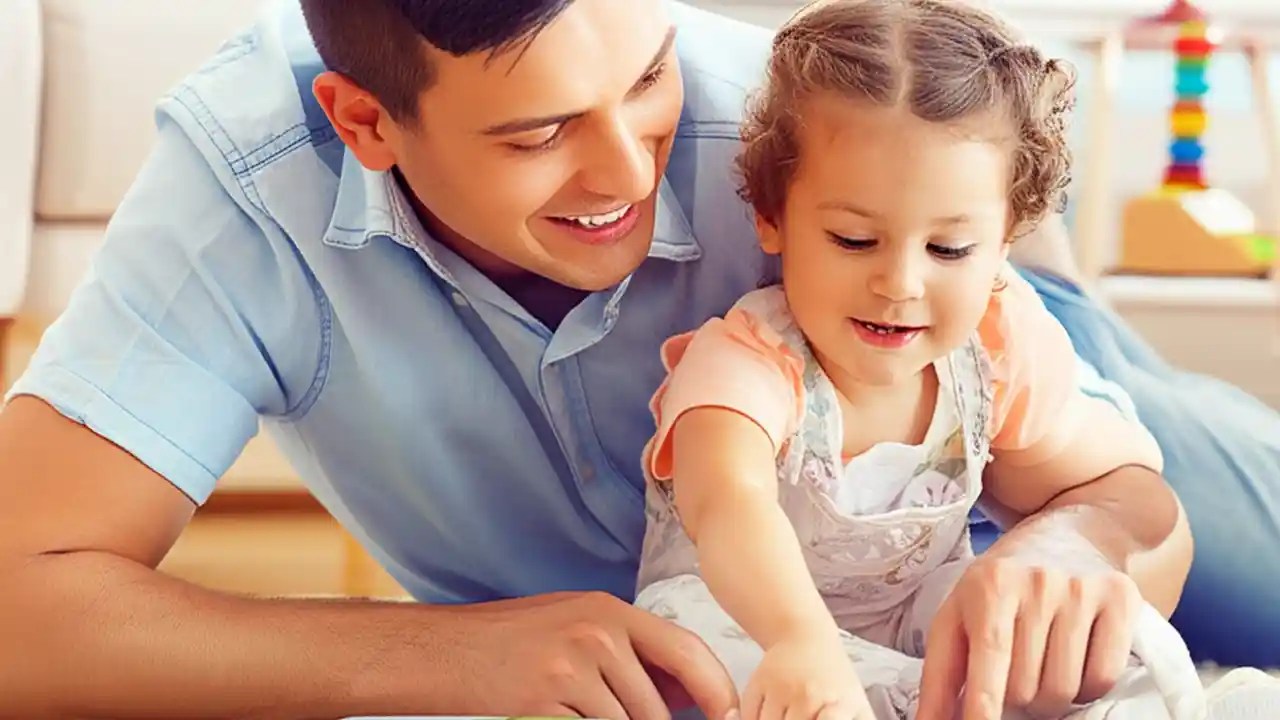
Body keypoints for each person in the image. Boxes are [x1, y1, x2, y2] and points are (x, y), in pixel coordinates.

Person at [0, 0, 1270, 717]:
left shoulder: (790, 137)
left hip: (1002, 402)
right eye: (538, 132)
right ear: (365, 122)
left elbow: (1122, 501)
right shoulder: (243, 194)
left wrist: (1068, 545)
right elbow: (21, 607)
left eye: (648, 77)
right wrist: (437, 653)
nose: (627, 174)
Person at [625, 2, 1237, 719]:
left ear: (1007, 241)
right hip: (748, 619)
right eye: (854, 239)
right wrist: (800, 644)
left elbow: (1124, 488)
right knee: (705, 653)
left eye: (949, 249)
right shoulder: (750, 361)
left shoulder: (995, 344)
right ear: (771, 216)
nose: (901, 284)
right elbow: (731, 505)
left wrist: (1064, 563)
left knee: (1031, 631)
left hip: (910, 619)